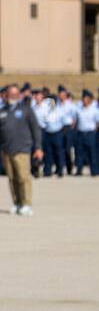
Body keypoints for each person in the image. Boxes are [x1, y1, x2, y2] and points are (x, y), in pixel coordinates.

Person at [0, 84, 42, 215]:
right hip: (7, 150)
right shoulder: (2, 111)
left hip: (22, 149)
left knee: (23, 178)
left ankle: (26, 204)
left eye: (15, 94)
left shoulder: (26, 110)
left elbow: (35, 129)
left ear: (19, 95)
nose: (12, 96)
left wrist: (38, 147)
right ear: (6, 95)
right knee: (12, 179)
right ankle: (17, 203)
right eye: (10, 94)